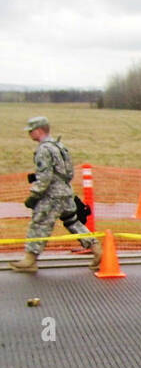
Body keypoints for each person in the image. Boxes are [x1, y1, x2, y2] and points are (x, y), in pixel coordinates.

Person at [10, 116, 101, 273]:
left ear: (39, 130)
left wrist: (34, 196)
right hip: (66, 192)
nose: (29, 134)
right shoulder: (59, 146)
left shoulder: (43, 150)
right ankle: (97, 250)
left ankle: (30, 259)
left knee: (39, 223)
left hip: (51, 195)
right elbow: (69, 172)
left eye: (31, 131)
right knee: (73, 222)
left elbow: (44, 178)